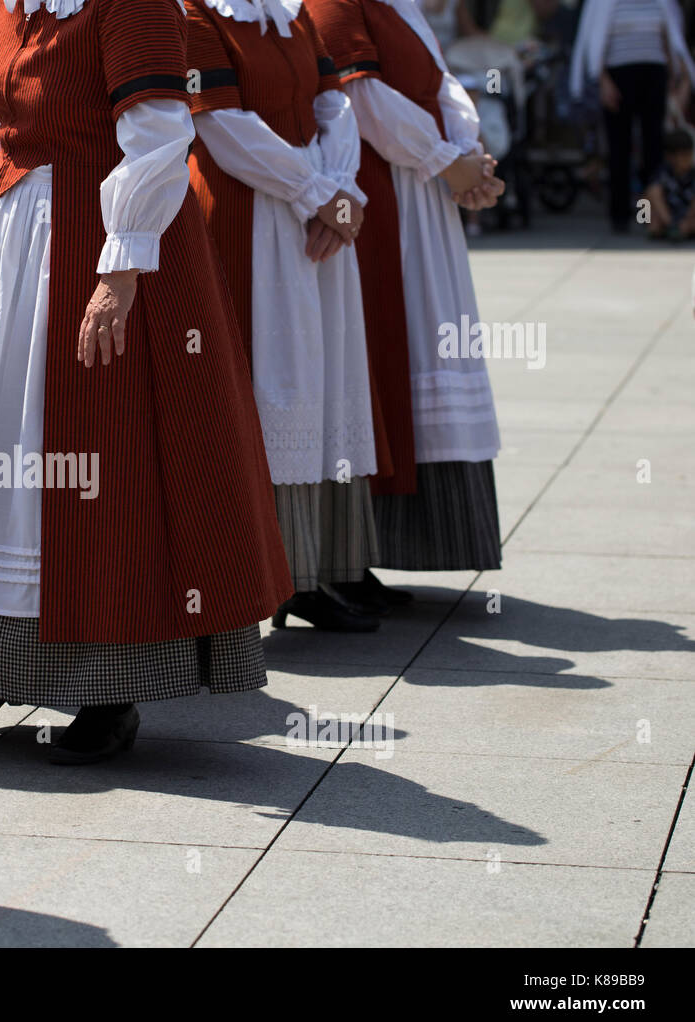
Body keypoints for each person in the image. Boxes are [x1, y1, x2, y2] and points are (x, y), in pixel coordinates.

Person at [0, 0, 294, 765]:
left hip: (98, 240)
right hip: (9, 245)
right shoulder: (14, 3)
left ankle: (109, 692)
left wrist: (121, 266)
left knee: (101, 466)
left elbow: (160, 137)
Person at [184, 0, 382, 631]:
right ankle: (265, 580)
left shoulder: (287, 12)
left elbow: (335, 102)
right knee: (274, 387)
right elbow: (225, 129)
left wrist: (343, 189)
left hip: (315, 211)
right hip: (252, 218)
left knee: (322, 382)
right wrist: (320, 195)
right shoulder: (194, 14)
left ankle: (313, 569)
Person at [307, 0, 505, 603]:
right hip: (382, 191)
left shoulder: (400, 6)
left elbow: (445, 86)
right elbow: (359, 100)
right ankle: (346, 561)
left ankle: (375, 552)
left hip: (421, 192)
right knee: (383, 356)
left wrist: (468, 156)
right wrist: (446, 161)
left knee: (422, 345)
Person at [570, 0, 695, 232]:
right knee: (620, 149)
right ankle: (621, 217)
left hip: (654, 76)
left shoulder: (660, 3)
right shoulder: (605, 4)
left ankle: (651, 217)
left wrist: (673, 78)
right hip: (619, 77)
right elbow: (597, 40)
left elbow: (669, 39)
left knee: (653, 150)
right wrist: (603, 81)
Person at [642, 127, 695, 237]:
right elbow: (648, 197)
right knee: (653, 191)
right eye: (681, 156)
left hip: (689, 217)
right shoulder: (663, 173)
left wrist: (688, 218)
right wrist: (667, 219)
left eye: (687, 155)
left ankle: (680, 229)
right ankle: (672, 227)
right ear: (670, 157)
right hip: (667, 216)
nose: (684, 160)